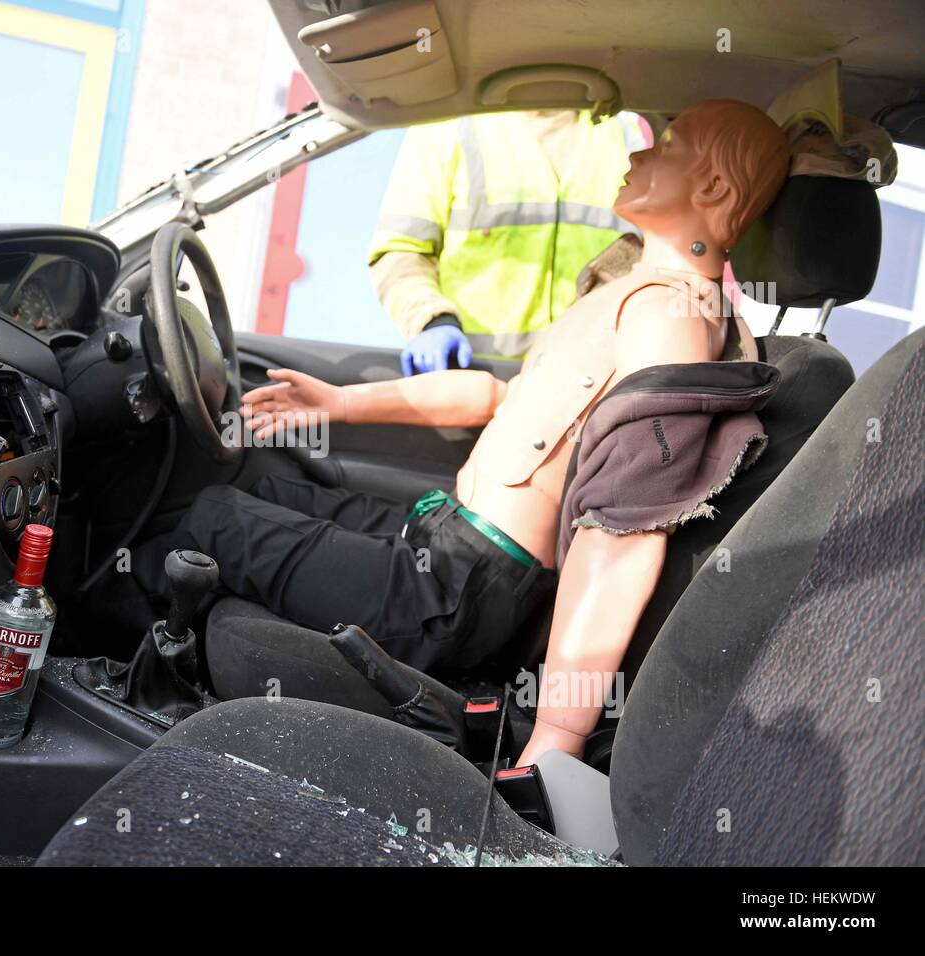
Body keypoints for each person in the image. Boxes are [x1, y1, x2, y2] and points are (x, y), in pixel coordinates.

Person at [132, 100, 790, 762]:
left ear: (712, 189)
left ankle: (106, 688)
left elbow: (624, 526)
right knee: (264, 482)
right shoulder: (632, 287)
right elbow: (500, 395)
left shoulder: (672, 315)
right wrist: (341, 402)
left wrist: (555, 737)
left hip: (460, 586)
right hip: (442, 536)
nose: (639, 154)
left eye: (667, 147)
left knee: (216, 519)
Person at [370, 110, 645, 374]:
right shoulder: (446, 126)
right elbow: (400, 252)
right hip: (474, 378)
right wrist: (433, 320)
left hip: (591, 387)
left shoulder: (632, 134)